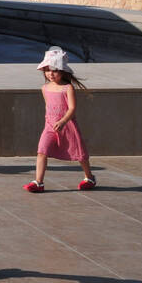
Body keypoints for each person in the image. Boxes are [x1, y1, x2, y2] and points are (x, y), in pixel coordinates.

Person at [25, 47, 95, 192]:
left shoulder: (67, 88)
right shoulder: (45, 88)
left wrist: (63, 121)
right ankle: (38, 182)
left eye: (55, 70)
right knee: (42, 150)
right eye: (47, 70)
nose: (50, 73)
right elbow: (48, 107)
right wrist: (49, 123)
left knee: (79, 153)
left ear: (63, 71)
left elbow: (72, 109)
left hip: (68, 125)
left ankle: (89, 177)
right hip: (50, 126)